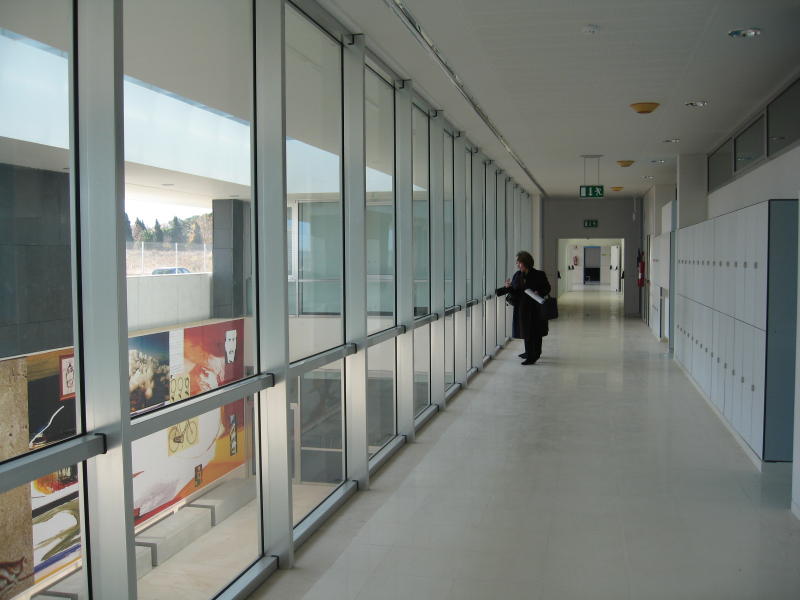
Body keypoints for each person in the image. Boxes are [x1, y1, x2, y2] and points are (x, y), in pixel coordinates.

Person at [496, 250, 551, 365]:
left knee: (535, 331)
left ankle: (534, 355)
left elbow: (547, 288)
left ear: (525, 262)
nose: (517, 264)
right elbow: (515, 291)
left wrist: (538, 292)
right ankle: (529, 352)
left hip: (535, 308)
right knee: (526, 331)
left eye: (519, 262)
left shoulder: (539, 274)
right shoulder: (517, 275)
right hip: (522, 309)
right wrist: (507, 287)